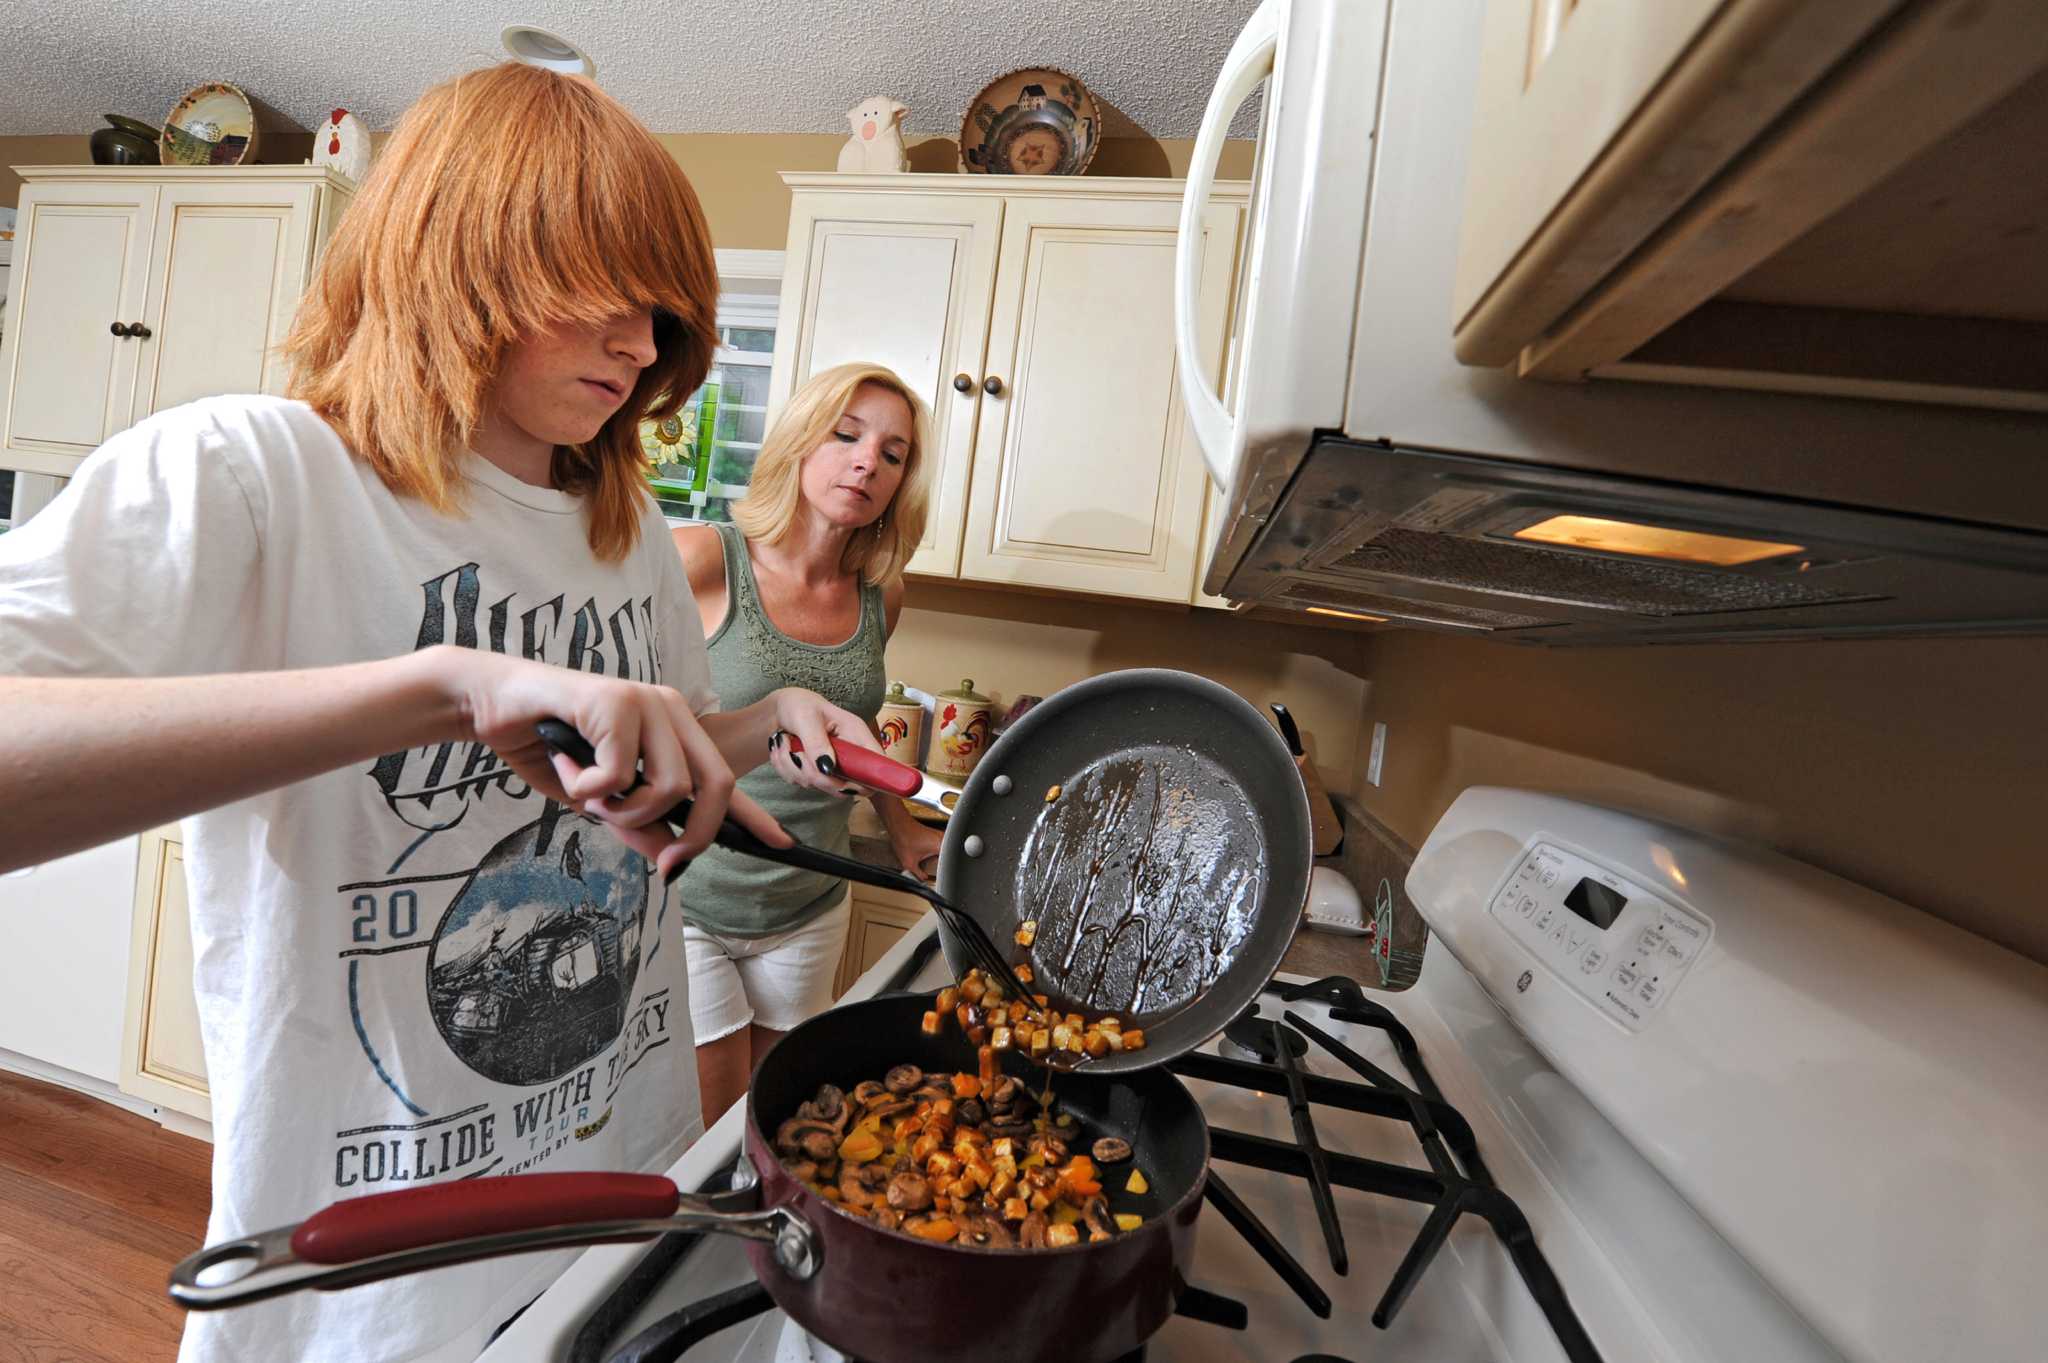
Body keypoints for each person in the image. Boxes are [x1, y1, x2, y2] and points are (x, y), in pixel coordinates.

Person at [0, 64, 881, 1363]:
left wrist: (774, 716)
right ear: (466, 254)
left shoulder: (629, 534)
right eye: (606, 292)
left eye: (660, 314)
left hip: (625, 1191)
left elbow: (646, 757)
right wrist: (444, 689)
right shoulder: (251, 475)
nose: (643, 347)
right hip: (380, 1266)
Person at [672, 363, 944, 1124]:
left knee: (782, 1120)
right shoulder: (703, 559)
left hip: (811, 897)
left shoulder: (882, 594)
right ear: (797, 442)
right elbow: (637, 720)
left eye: (892, 454)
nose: (867, 462)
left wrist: (902, 827)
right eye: (845, 436)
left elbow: (855, 731)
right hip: (692, 897)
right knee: (714, 1132)